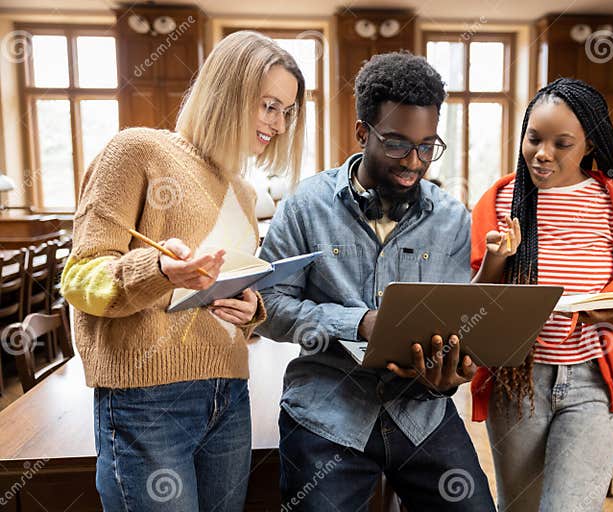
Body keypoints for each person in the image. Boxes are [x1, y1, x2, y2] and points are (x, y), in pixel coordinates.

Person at [61, 31, 306, 512]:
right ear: (227, 92)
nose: (278, 124)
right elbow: (80, 279)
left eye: (286, 111)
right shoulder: (137, 150)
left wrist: (249, 309)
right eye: (268, 105)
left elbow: (220, 290)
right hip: (147, 398)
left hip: (230, 394)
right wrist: (160, 270)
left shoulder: (242, 189)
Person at [256, 51, 495, 511]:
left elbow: (454, 322)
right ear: (362, 132)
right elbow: (267, 307)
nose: (414, 162)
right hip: (327, 411)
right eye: (398, 144)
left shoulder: (451, 218)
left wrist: (447, 376)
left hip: (421, 412)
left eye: (428, 146)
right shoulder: (305, 206)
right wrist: (360, 322)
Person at [470, 77, 613, 511]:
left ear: (589, 146)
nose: (543, 153)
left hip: (596, 380)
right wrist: (498, 259)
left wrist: (610, 314)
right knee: (519, 506)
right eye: (534, 138)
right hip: (519, 382)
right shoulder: (499, 200)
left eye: (562, 143)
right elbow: (479, 304)